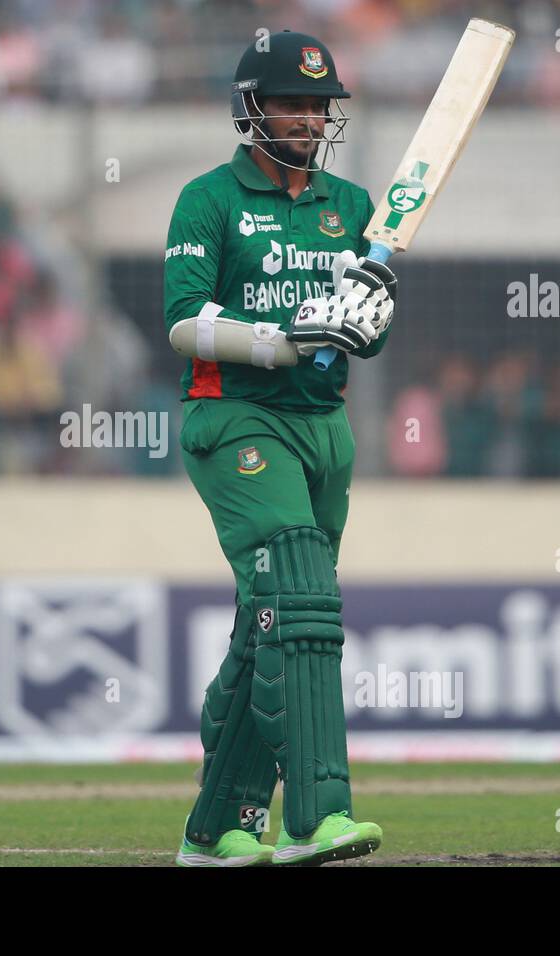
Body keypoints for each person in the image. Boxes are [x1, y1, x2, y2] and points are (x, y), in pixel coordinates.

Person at [164, 30, 394, 866]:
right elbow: (184, 322)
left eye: (316, 103)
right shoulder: (208, 199)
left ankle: (218, 827)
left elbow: (366, 314)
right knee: (300, 593)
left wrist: (369, 316)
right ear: (251, 107)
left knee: (273, 618)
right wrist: (284, 337)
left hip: (324, 431)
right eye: (290, 102)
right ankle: (318, 817)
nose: (305, 116)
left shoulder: (354, 204)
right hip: (236, 419)